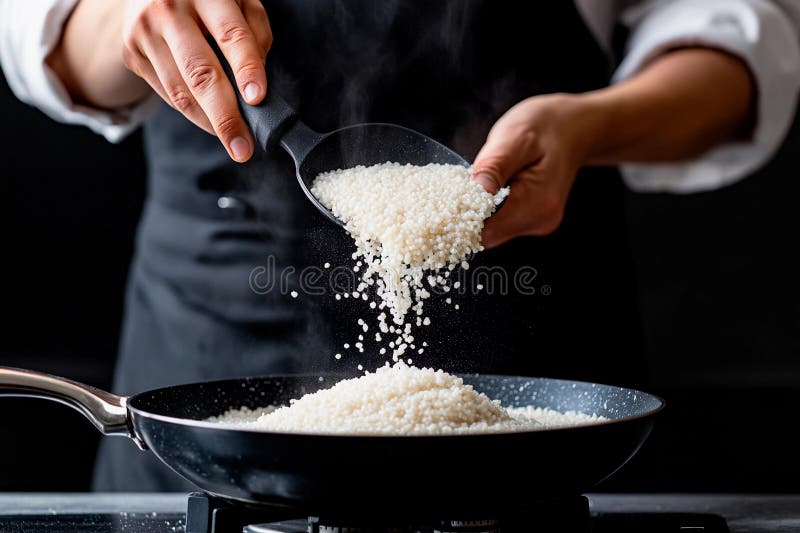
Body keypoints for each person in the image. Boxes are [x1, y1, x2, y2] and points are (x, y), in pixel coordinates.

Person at [1, 0, 799, 492]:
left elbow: (742, 39)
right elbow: (37, 28)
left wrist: (593, 125)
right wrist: (119, 20)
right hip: (208, 360)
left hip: (538, 411)